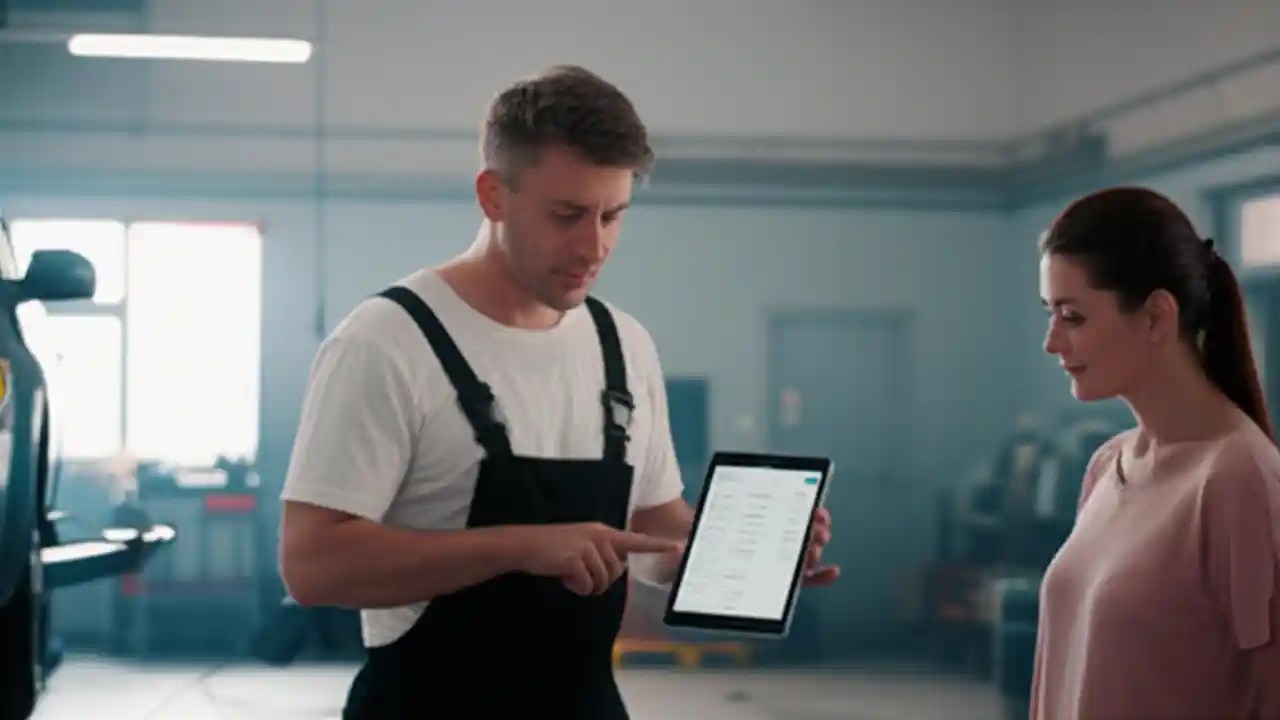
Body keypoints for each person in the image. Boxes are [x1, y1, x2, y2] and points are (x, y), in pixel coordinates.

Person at [277, 64, 838, 719]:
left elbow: (653, 535)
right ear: (493, 194)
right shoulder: (387, 341)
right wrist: (523, 546)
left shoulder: (623, 346)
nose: (593, 245)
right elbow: (312, 567)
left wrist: (738, 553)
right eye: (567, 214)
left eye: (613, 215)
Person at [1031, 186, 1280, 718]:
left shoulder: (1239, 479)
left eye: (1072, 317)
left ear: (1155, 317)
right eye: (1049, 314)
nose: (1052, 341)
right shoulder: (1105, 466)